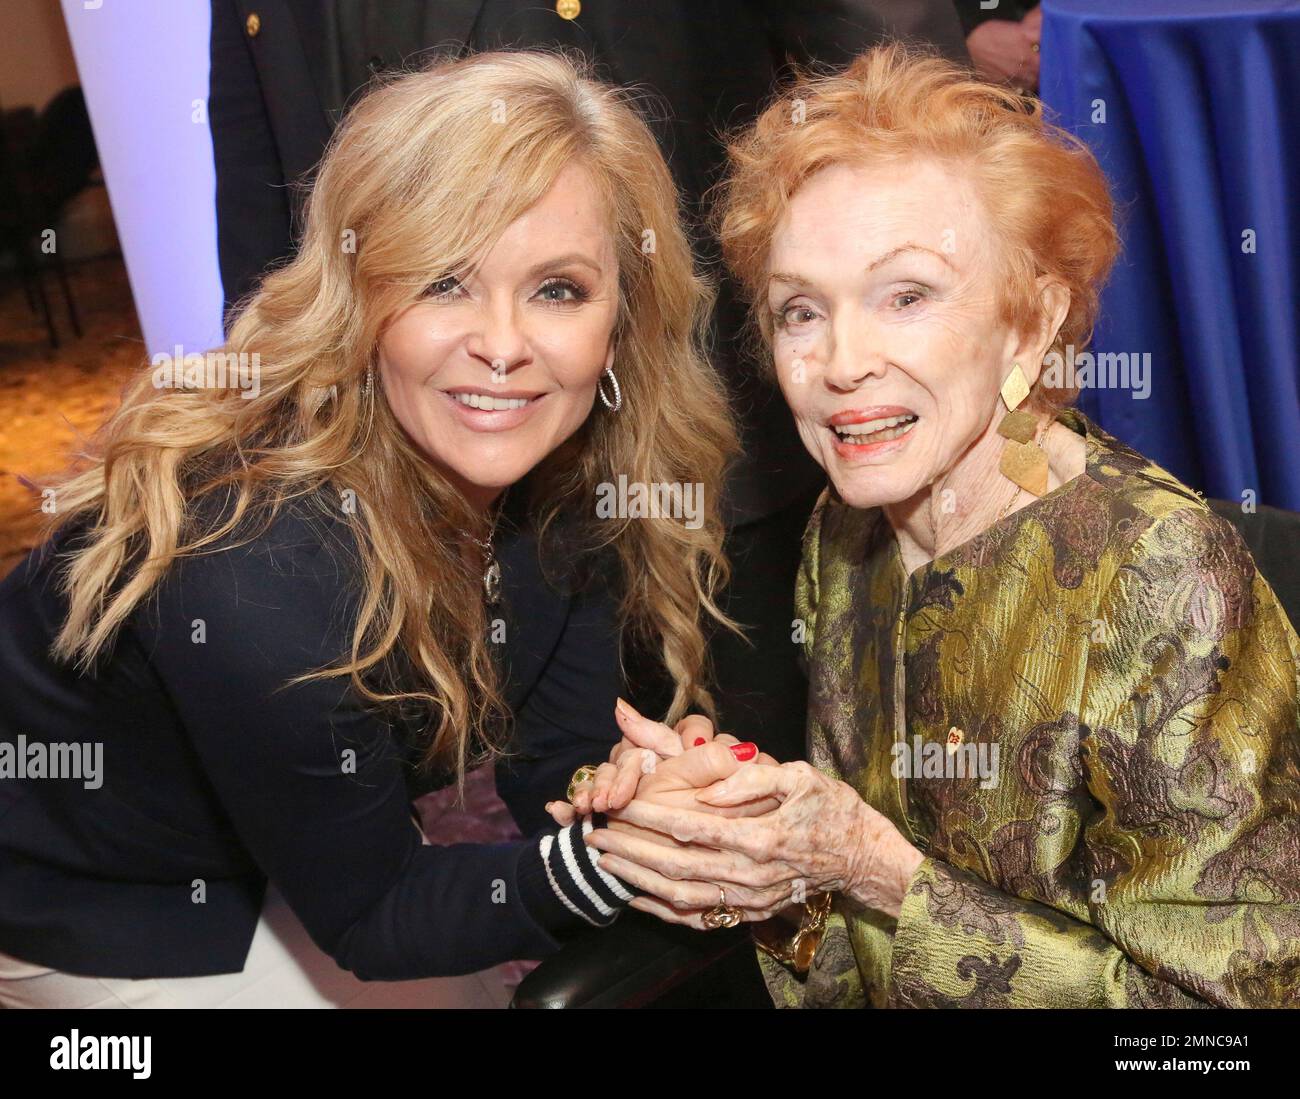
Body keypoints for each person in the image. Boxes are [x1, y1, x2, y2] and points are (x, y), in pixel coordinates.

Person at [0, 50, 745, 1008]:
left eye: (558, 288)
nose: (506, 346)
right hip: (94, 881)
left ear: (621, 319)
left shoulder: (569, 470)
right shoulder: (248, 556)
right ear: (363, 300)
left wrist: (630, 794)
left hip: (296, 823)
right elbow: (373, 914)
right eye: (444, 281)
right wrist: (619, 864)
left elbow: (551, 758)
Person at [562, 45, 1300, 1008]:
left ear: (1031, 323)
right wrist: (744, 844)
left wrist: (873, 868)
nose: (840, 361)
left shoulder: (1159, 576)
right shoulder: (847, 533)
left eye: (905, 295)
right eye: (799, 311)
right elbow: (851, 954)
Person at [208, 0, 973, 763]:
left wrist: (948, 280)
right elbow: (252, 149)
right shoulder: (250, 562)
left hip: (684, 430)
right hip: (388, 442)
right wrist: (278, 389)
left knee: (752, 760)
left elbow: (881, 53)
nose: (499, 341)